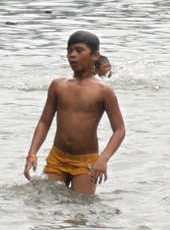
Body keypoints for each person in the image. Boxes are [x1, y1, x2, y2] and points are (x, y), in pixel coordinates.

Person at [24, 30, 127, 193]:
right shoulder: (58, 85)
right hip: (57, 157)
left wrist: (103, 159)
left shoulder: (103, 91)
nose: (72, 55)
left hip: (85, 162)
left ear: (95, 55)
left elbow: (119, 130)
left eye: (79, 50)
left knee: (81, 212)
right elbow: (44, 121)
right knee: (48, 208)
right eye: (69, 50)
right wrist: (32, 154)